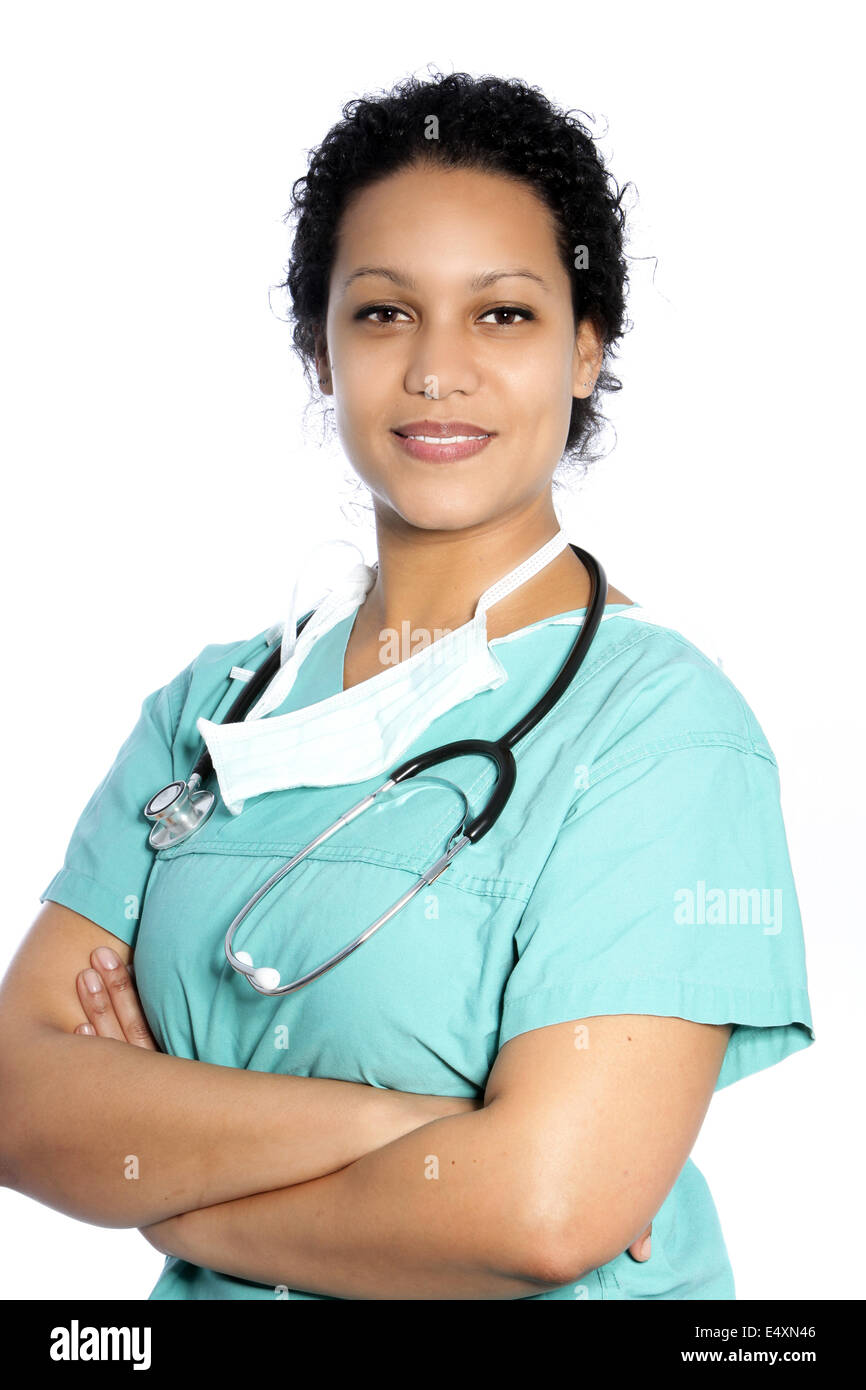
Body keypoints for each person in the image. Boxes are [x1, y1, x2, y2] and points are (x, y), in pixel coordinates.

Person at [0, 71, 814, 1301]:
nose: (436, 371)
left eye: (502, 316)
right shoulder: (211, 709)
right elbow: (18, 1100)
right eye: (382, 313)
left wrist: (176, 1194)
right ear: (318, 348)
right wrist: (416, 1135)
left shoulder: (663, 733)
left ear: (585, 348)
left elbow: (542, 1213)